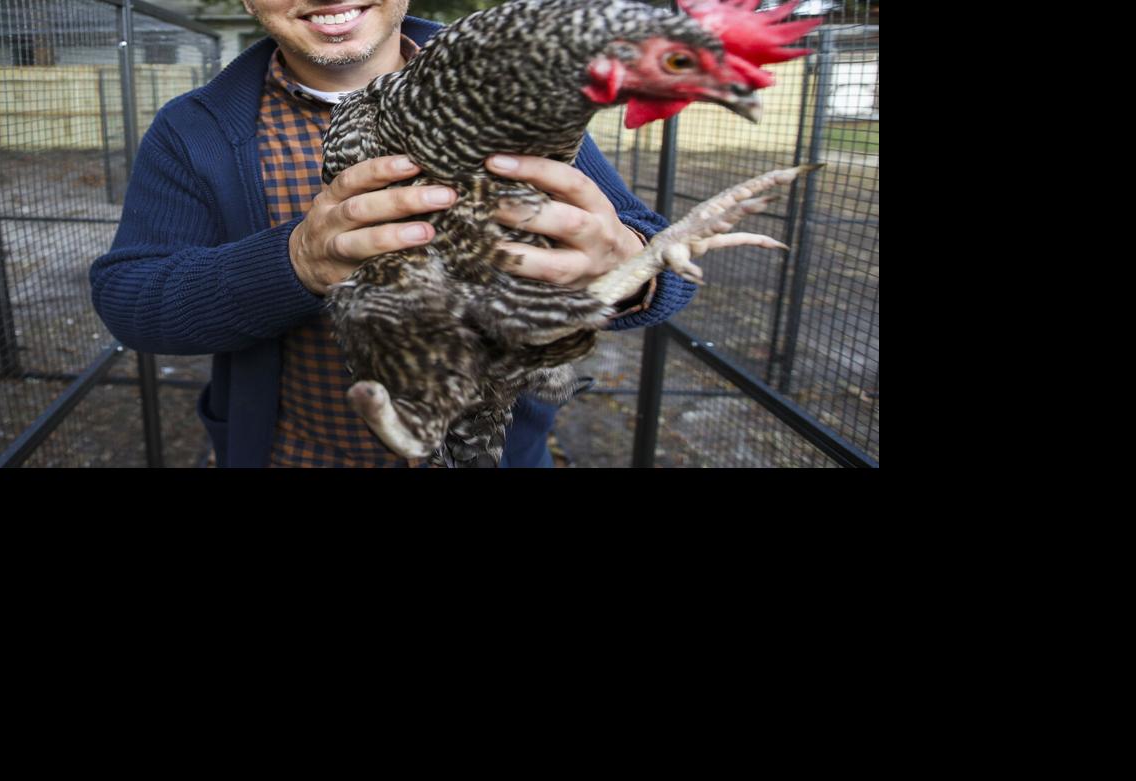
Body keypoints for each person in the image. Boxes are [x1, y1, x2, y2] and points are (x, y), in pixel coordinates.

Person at [89, 0, 694, 467]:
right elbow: (132, 299)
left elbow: (647, 248)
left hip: (499, 446)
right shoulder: (194, 129)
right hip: (297, 452)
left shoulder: (513, 93)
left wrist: (626, 265)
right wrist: (293, 262)